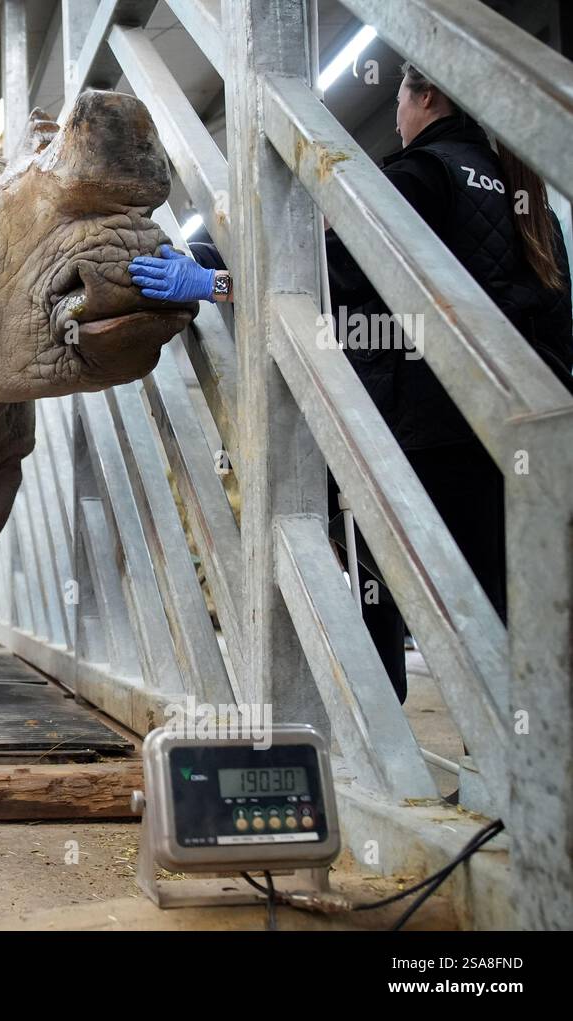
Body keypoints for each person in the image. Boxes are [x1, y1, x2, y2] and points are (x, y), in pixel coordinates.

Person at [128, 62, 573, 705]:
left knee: (391, 593)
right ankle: (510, 783)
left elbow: (329, 280)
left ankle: (390, 758)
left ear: (428, 95)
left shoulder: (419, 175)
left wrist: (216, 282)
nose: (396, 114)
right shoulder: (526, 197)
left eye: (399, 97)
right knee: (502, 611)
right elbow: (556, 324)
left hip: (426, 430)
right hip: (515, 431)